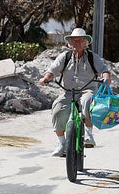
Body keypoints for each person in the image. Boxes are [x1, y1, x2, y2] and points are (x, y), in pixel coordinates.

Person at [38, 27, 111, 157]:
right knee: (57, 109)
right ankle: (62, 144)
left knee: (88, 101)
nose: (77, 43)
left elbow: (104, 70)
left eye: (80, 40)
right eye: (74, 40)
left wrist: (106, 77)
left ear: (85, 43)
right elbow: (52, 70)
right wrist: (46, 78)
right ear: (70, 43)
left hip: (87, 90)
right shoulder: (64, 57)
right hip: (68, 92)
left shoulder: (92, 57)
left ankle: (88, 135)